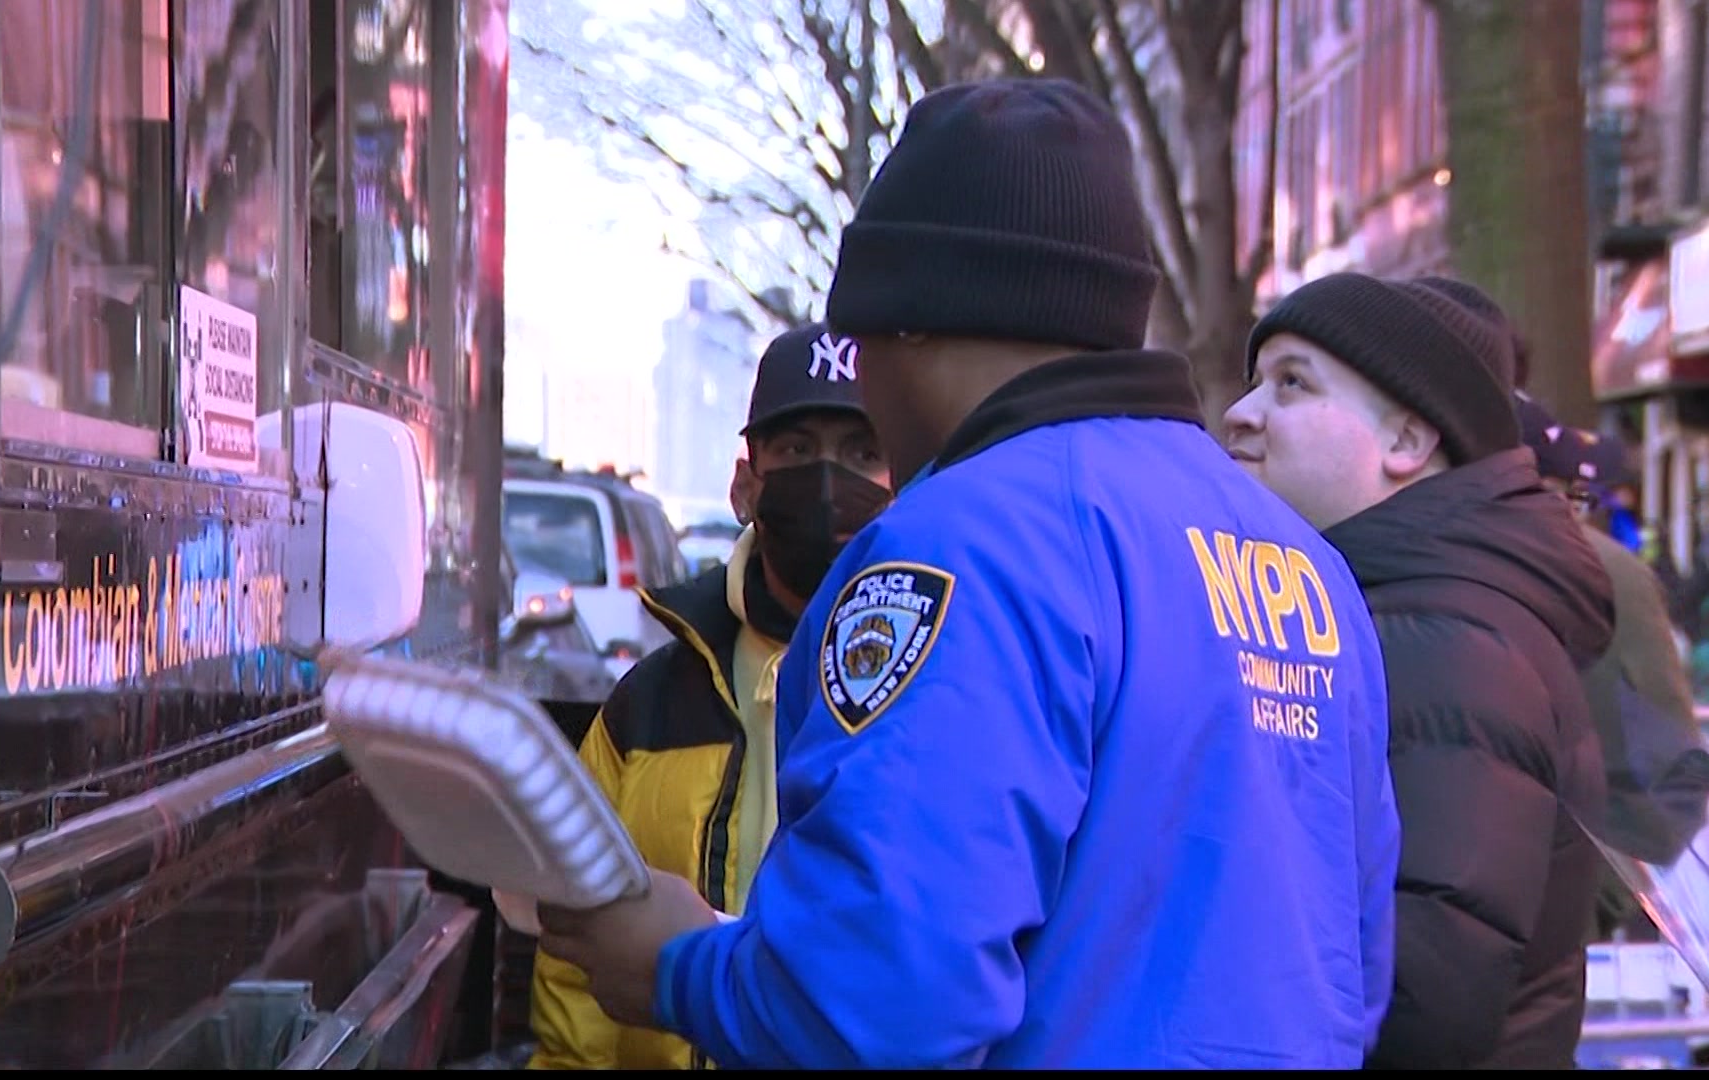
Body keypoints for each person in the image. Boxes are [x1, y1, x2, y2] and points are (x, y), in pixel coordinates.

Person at [538, 77, 1401, 1070]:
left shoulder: (960, 547)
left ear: (906, 326)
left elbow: (876, 1006)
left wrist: (679, 967)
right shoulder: (1301, 562)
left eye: (859, 347)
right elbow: (1355, 958)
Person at [1223, 271, 1617, 1069]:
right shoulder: (1401, 613)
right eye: (1254, 381)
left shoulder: (1443, 641)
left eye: (1291, 383)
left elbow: (1421, 1003)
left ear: (1406, 442)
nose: (1240, 414)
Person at [526, 323, 891, 1070]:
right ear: (744, 484)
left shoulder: (938, 688)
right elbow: (575, 951)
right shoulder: (646, 711)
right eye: (796, 450)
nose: (827, 481)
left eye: (862, 454)